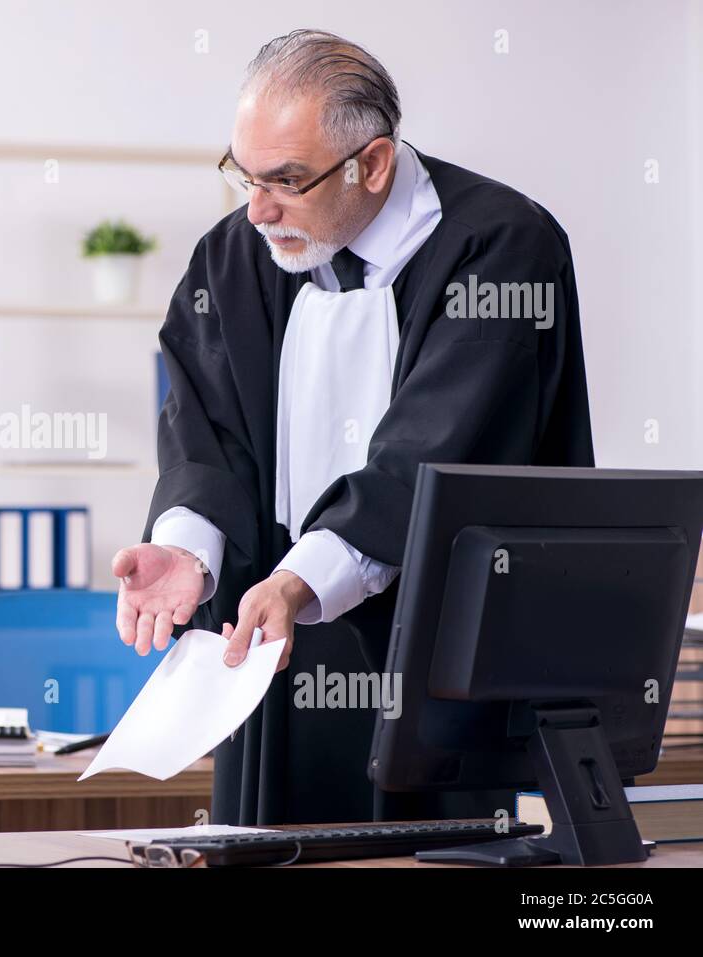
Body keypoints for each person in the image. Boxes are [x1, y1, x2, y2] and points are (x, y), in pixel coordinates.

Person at [112, 29, 594, 826]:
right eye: (243, 175)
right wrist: (188, 543)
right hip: (269, 652)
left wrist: (305, 579)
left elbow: (441, 451)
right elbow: (205, 427)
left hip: (436, 669)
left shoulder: (501, 247)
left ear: (372, 163)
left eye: (287, 181)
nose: (258, 210)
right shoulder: (237, 254)